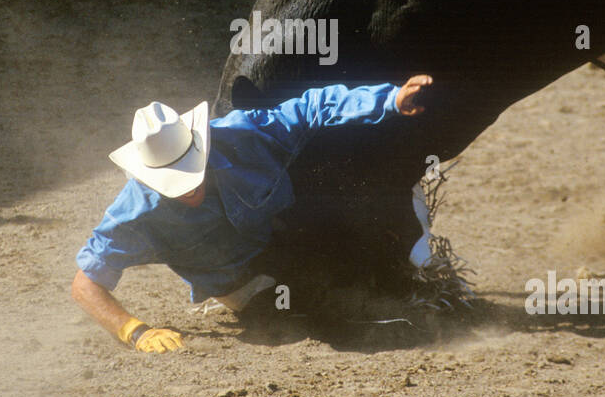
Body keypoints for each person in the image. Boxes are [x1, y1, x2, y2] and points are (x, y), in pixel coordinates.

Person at [73, 76, 434, 353]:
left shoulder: (243, 134)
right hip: (243, 281)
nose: (189, 190)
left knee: (358, 242)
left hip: (288, 239)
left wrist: (388, 99)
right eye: (175, 185)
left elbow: (314, 106)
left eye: (191, 175)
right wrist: (134, 331)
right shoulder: (135, 214)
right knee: (290, 317)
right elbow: (86, 283)